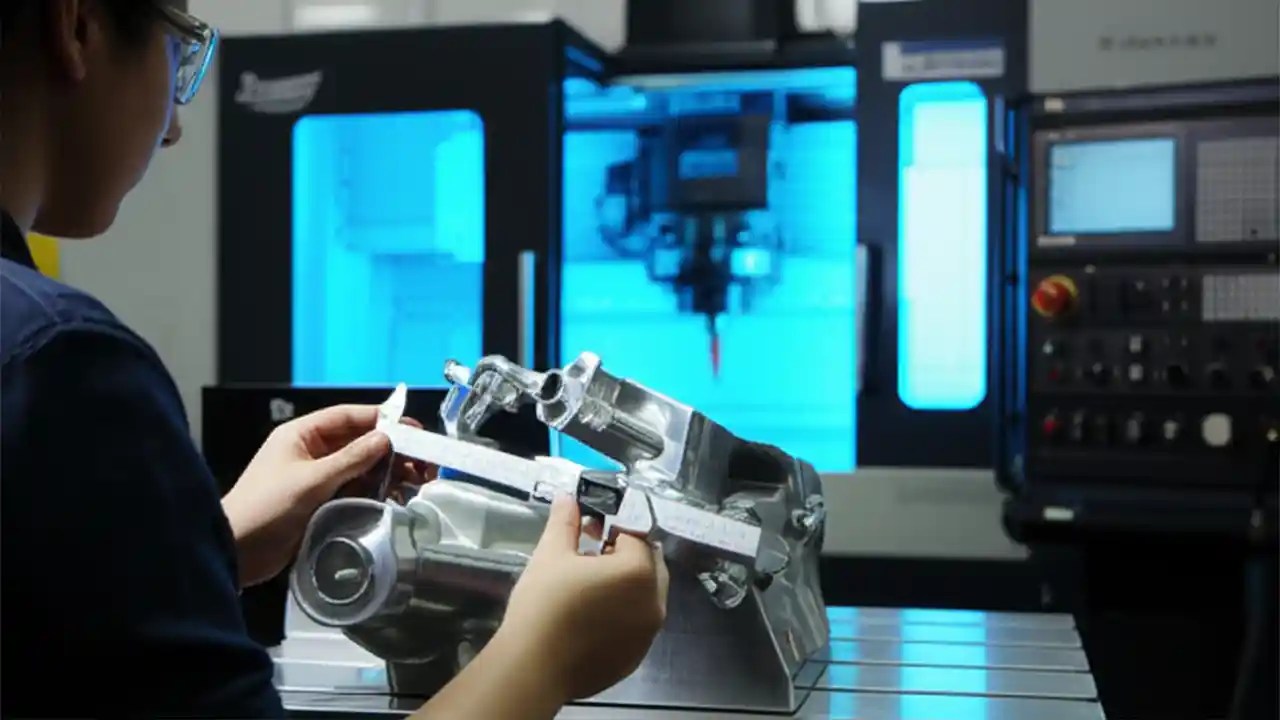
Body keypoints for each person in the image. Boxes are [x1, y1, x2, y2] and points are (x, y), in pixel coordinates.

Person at [0, 1, 669, 717]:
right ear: (76, 27)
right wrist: (546, 653)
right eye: (179, 55)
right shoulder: (57, 363)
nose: (172, 127)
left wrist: (212, 549)